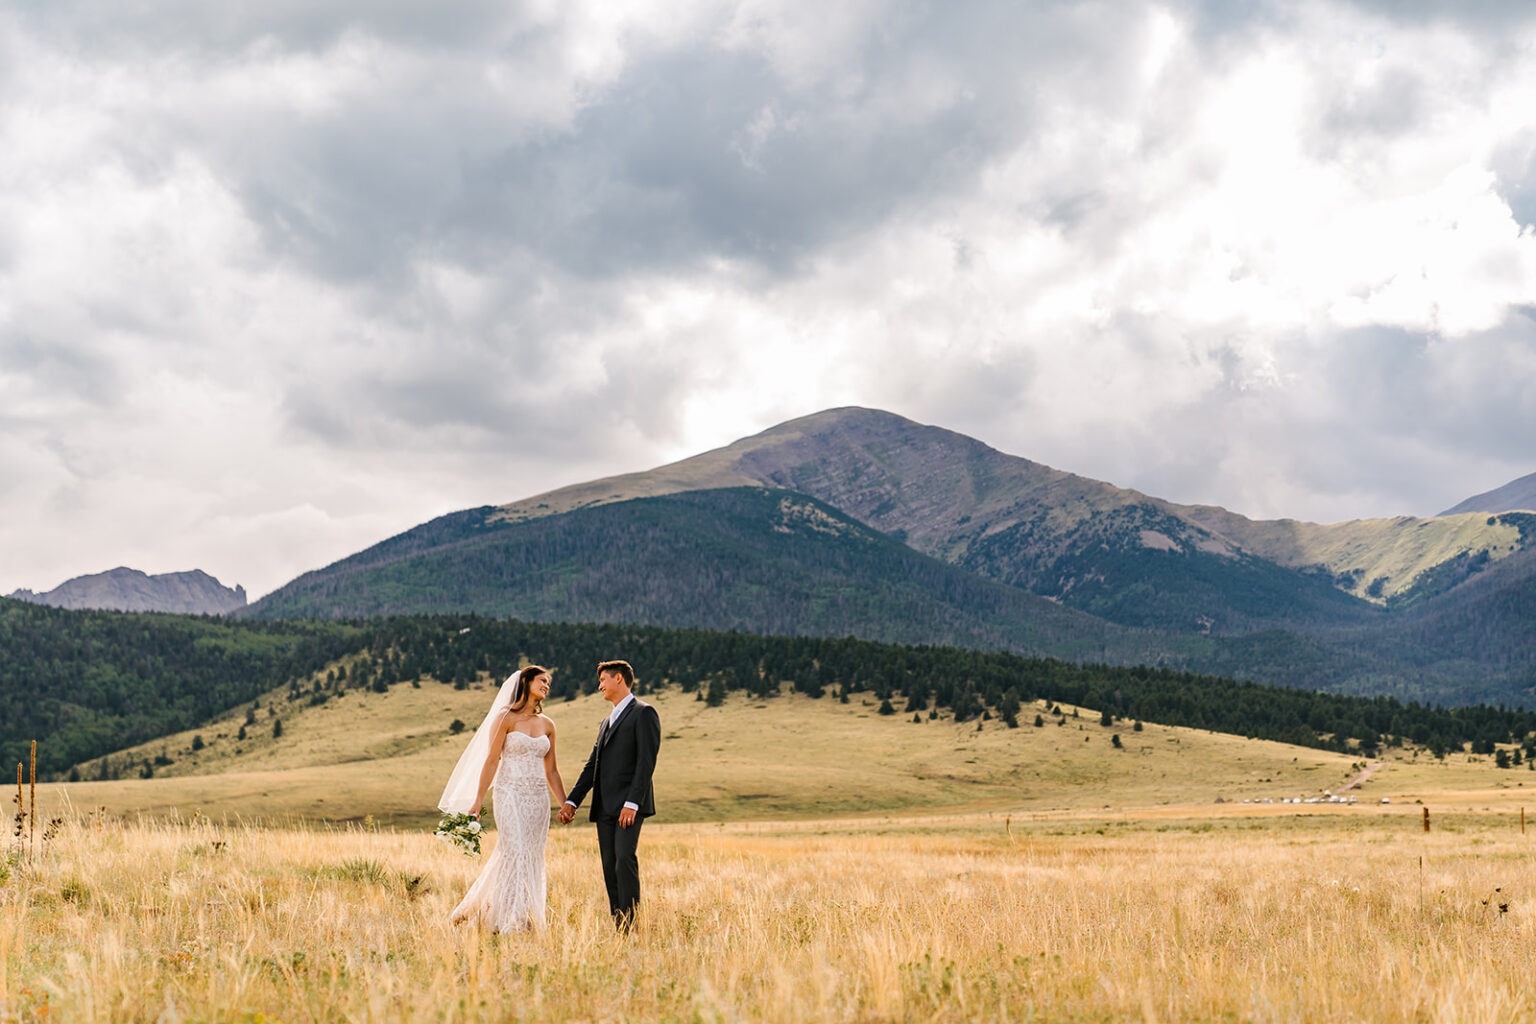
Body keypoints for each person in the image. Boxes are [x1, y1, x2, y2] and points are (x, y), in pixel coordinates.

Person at [439, 665, 567, 932]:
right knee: (513, 850)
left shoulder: (548, 725)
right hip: (509, 793)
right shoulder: (505, 717)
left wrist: (565, 803)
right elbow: (491, 760)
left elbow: (552, 771)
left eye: (549, 683)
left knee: (531, 854)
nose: (546, 686)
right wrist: (477, 799)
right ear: (526, 682)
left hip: (538, 799)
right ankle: (509, 919)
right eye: (542, 681)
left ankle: (525, 916)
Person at [558, 660, 661, 932]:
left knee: (625, 858)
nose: (600, 686)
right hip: (604, 806)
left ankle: (632, 926)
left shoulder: (644, 713)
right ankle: (620, 926)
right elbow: (593, 765)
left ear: (619, 679)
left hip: (629, 806)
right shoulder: (606, 722)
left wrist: (632, 803)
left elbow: (646, 763)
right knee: (609, 865)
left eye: (603, 680)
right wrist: (572, 802)